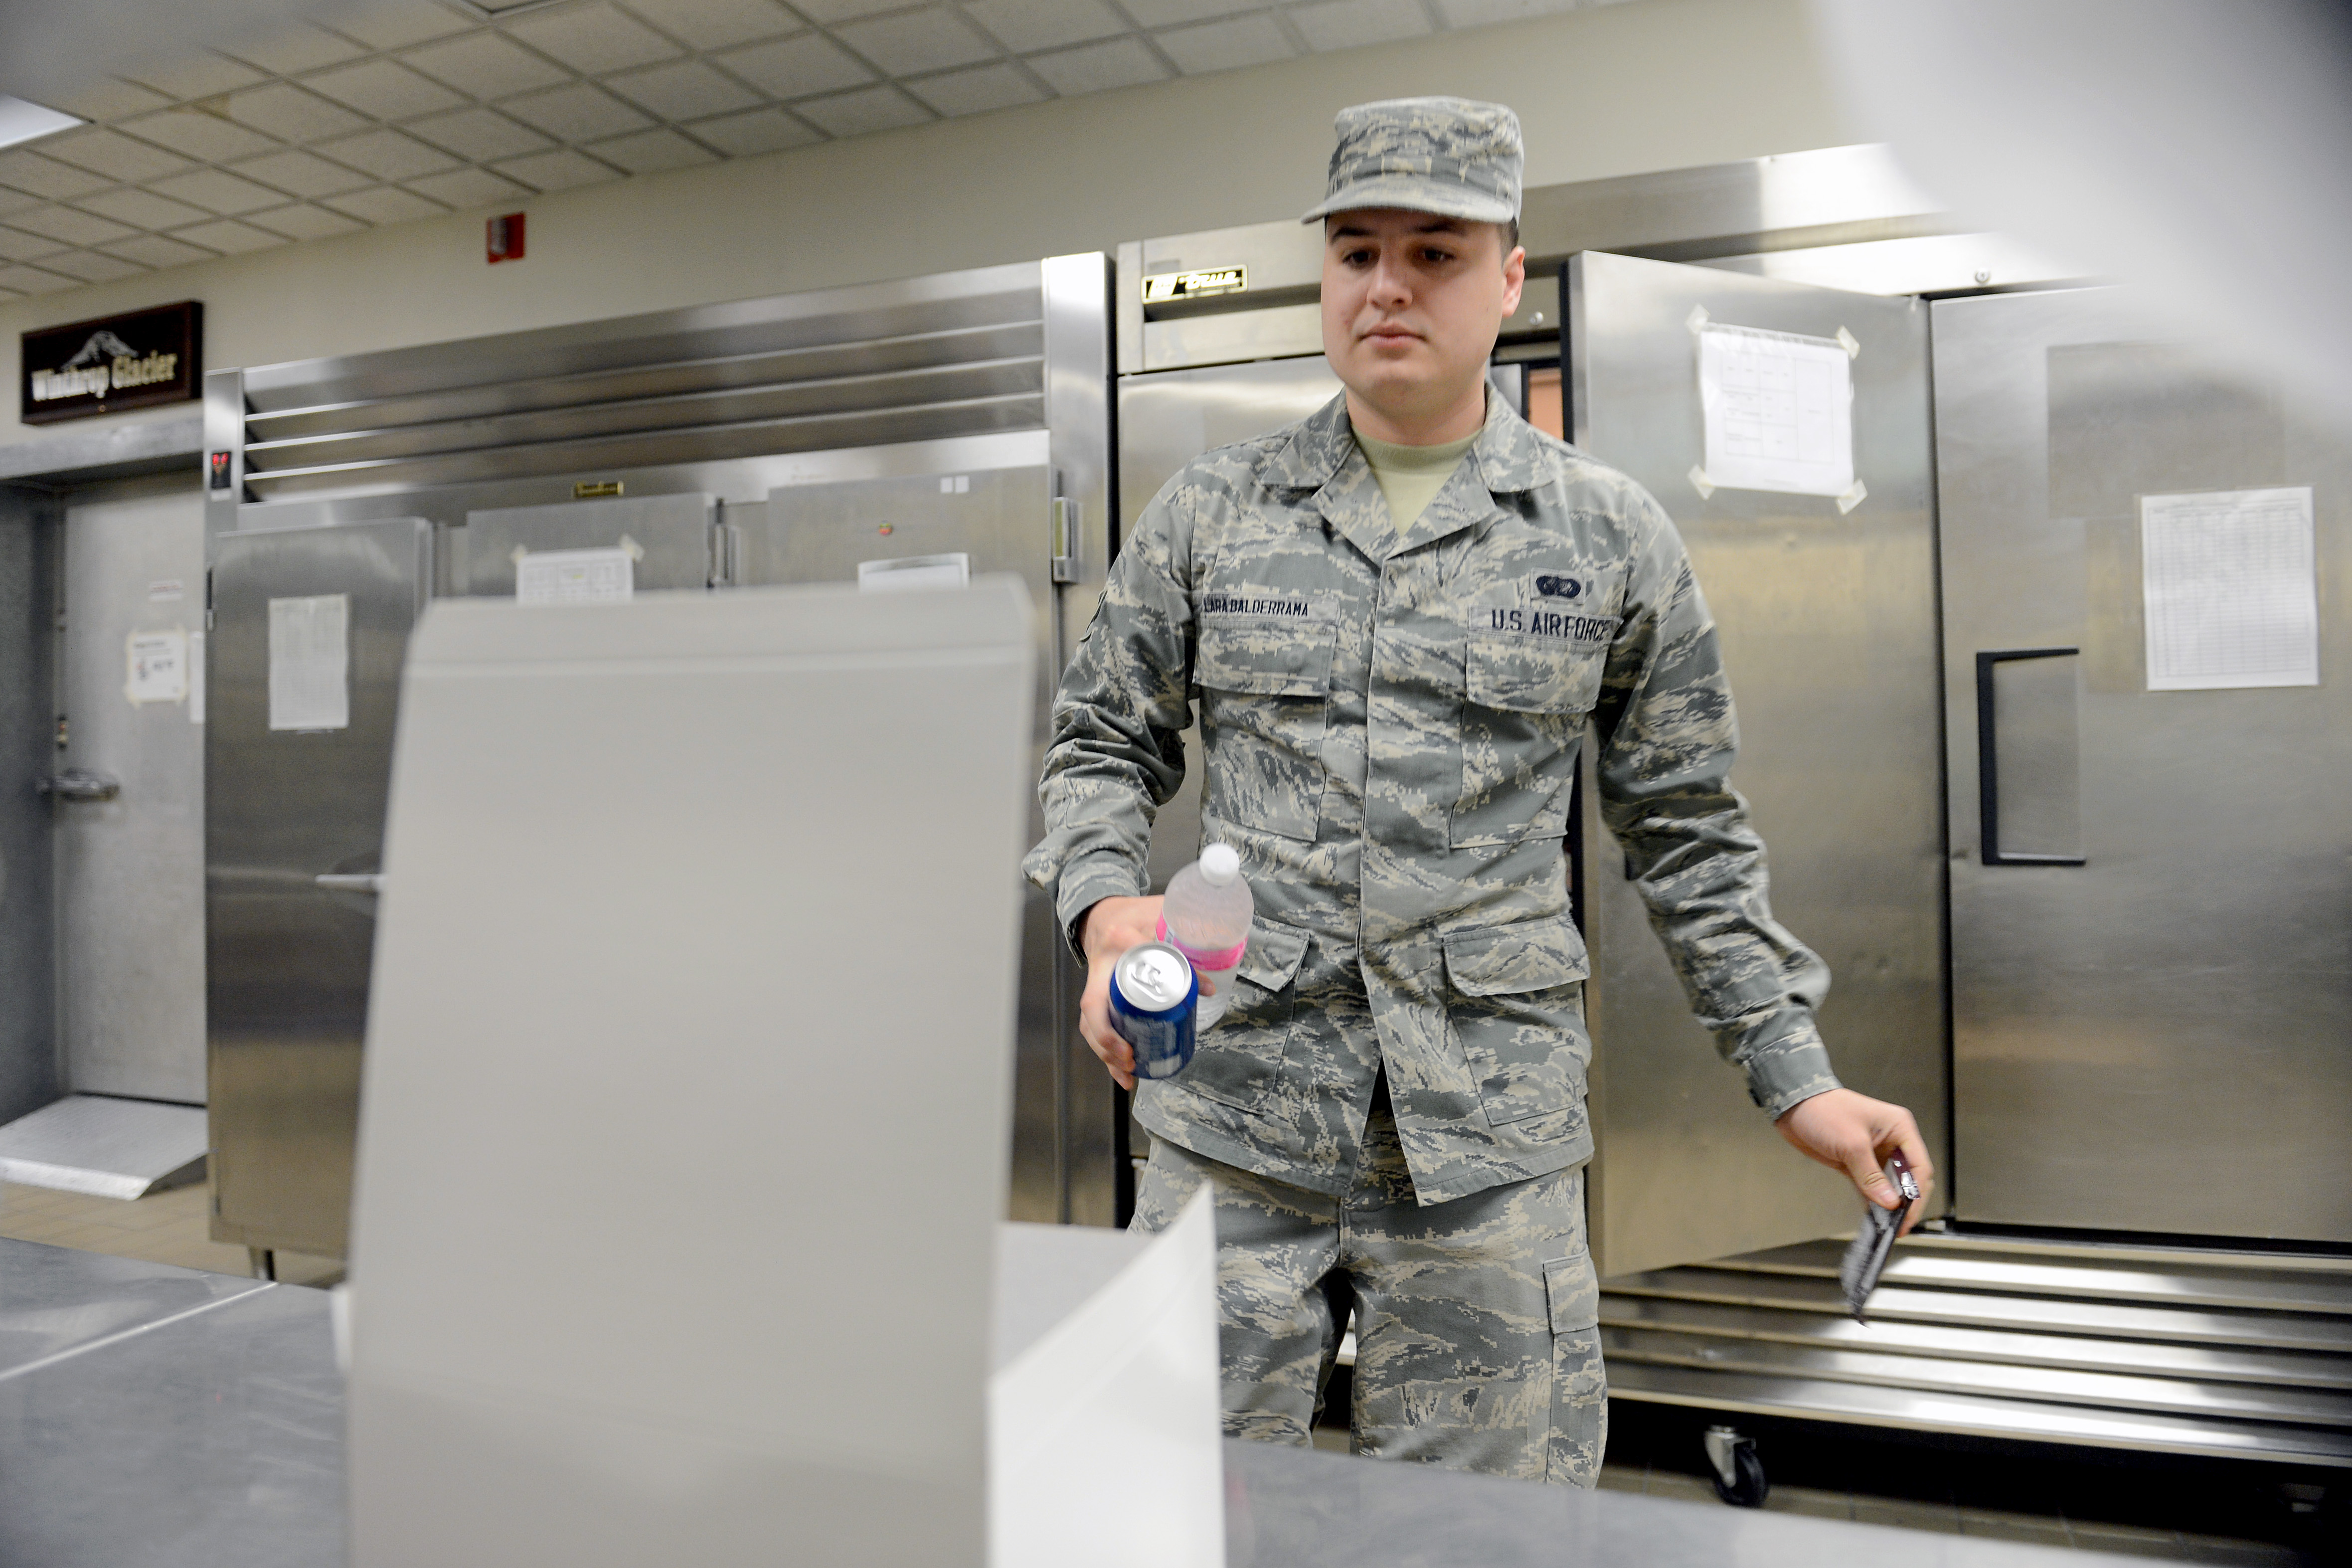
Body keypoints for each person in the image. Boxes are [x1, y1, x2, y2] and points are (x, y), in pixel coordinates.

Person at [1020, 97, 1932, 1487]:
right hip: (1235, 1123)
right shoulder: (1214, 510)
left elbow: (1687, 832)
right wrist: (1101, 912)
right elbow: (1098, 741)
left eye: (1434, 252)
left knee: (1486, 1538)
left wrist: (1794, 1075)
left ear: (1510, 276)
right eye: (1355, 251)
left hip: (1488, 1153)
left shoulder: (1609, 534)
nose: (1386, 285)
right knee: (1171, 1507)